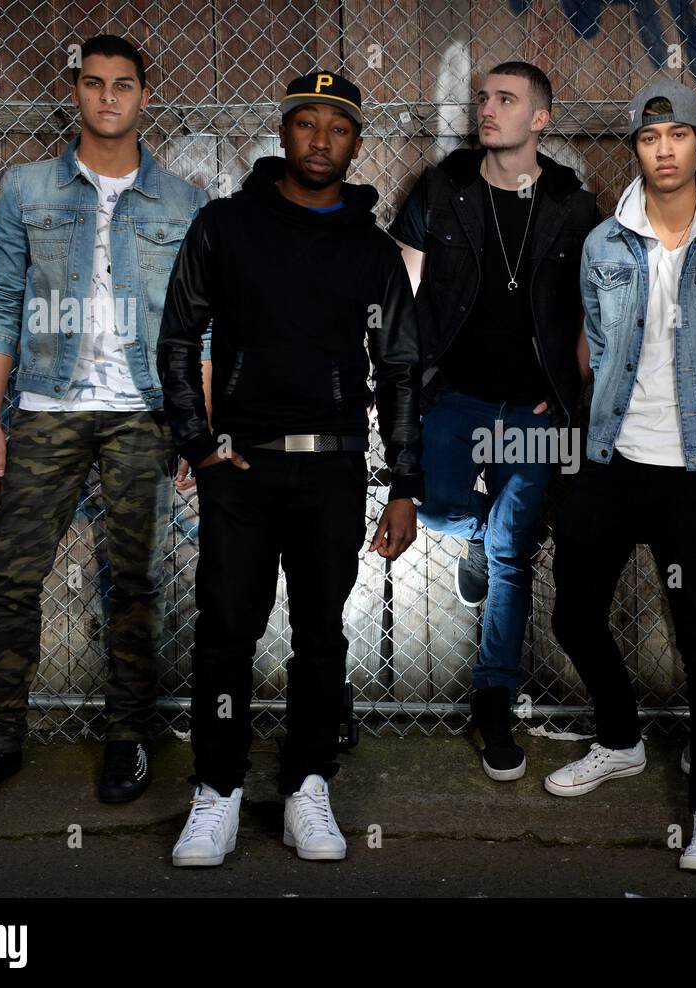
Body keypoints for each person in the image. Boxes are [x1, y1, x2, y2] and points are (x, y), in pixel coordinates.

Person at [158, 71, 423, 866]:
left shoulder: (372, 251)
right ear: (283, 133)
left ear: (355, 141)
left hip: (333, 470)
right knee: (227, 631)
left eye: (335, 128)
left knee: (319, 634)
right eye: (304, 124)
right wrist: (198, 441)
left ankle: (308, 781)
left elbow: (402, 368)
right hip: (241, 468)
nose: (318, 139)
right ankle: (219, 788)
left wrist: (404, 484)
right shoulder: (226, 226)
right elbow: (178, 338)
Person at [0, 33, 208, 811]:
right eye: (93, 84)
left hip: (143, 412)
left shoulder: (183, 200)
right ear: (77, 91)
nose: (107, 98)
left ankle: (125, 740)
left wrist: (195, 426)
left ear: (143, 95)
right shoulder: (27, 189)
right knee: (11, 575)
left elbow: (198, 325)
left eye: (122, 85)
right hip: (46, 406)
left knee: (133, 580)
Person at [545, 80, 696, 873]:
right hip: (614, 462)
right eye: (651, 137)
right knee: (574, 614)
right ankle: (620, 737)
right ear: (638, 149)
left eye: (679, 135)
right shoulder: (604, 244)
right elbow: (590, 347)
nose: (664, 149)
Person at [388, 62, 600, 782]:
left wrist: (566, 391)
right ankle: (477, 531)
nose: (488, 109)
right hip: (457, 397)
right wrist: (415, 382)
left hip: (532, 406)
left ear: (541, 117)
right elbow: (402, 292)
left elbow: (591, 309)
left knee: (514, 557)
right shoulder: (444, 189)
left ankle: (493, 700)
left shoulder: (573, 204)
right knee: (439, 505)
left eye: (505, 100)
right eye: (483, 98)